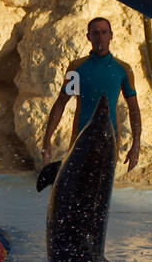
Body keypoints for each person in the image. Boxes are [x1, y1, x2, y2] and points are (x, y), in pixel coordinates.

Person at [40, 16, 142, 174]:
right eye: (95, 33)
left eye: (104, 32)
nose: (100, 37)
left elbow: (134, 109)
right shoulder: (76, 68)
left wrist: (136, 146)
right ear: (88, 37)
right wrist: (47, 140)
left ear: (111, 35)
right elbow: (61, 103)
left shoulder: (123, 69)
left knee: (100, 190)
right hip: (80, 138)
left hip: (109, 139)